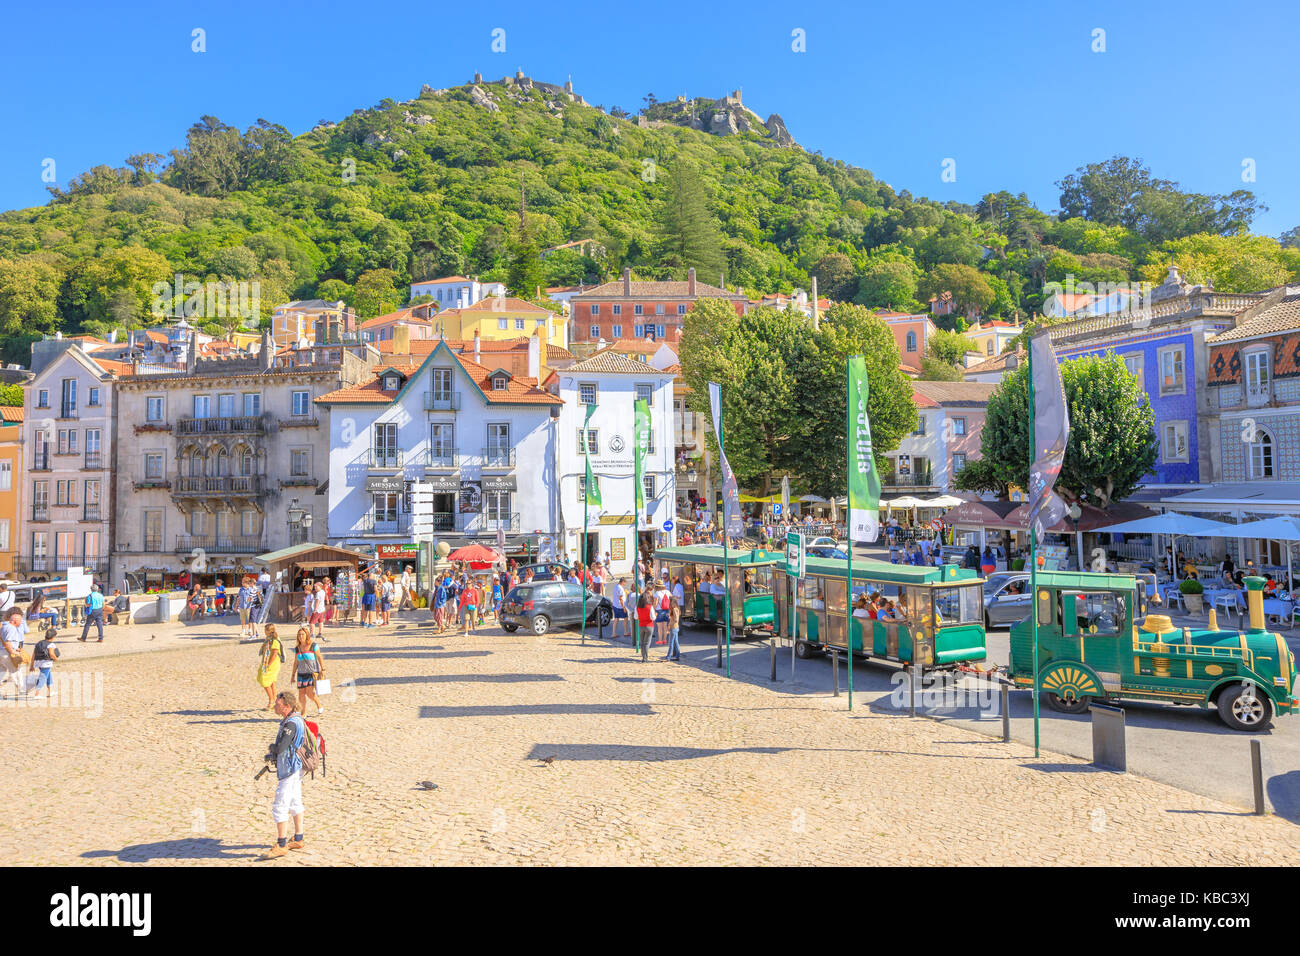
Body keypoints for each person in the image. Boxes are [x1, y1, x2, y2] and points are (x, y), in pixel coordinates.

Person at [262, 691, 308, 859]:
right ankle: (298, 837)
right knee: (295, 800)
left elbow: (282, 748)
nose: (275, 706)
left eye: (278, 704)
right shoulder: (294, 719)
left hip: (289, 768)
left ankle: (281, 844)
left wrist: (272, 748)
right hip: (295, 768)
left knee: (280, 804)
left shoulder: (291, 724)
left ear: (287, 706)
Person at [293, 626, 325, 716]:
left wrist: (323, 669)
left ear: (307, 635)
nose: (300, 636)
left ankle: (319, 705)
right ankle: (303, 713)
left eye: (302, 634)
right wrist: (292, 675)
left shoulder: (313, 646)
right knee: (301, 694)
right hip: (301, 674)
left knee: (310, 694)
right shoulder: (297, 648)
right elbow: (295, 662)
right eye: (299, 635)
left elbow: (319, 657)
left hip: (311, 673)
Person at [1, 607, 30, 696]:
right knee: (16, 671)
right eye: (20, 621)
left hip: (1, 652)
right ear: (14, 621)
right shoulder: (11, 628)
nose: (21, 623)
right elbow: (7, 642)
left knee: (1, 671)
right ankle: (21, 689)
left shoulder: (3, 626)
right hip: (6, 653)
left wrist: (16, 648)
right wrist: (13, 652)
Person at [256, 624, 284, 710]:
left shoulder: (275, 641)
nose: (264, 632)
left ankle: (271, 700)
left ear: (269, 631)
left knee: (265, 681)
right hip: (266, 663)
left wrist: (268, 664)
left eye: (265, 630)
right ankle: (275, 701)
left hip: (272, 664)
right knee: (271, 682)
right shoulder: (268, 639)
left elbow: (275, 654)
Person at [28, 625, 60, 699]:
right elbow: (51, 654)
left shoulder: (39, 643)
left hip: (38, 662)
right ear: (53, 637)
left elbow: (34, 655)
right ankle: (37, 694)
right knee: (43, 677)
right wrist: (55, 659)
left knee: (48, 676)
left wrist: (32, 665)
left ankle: (50, 691)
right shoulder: (51, 644)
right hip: (46, 663)